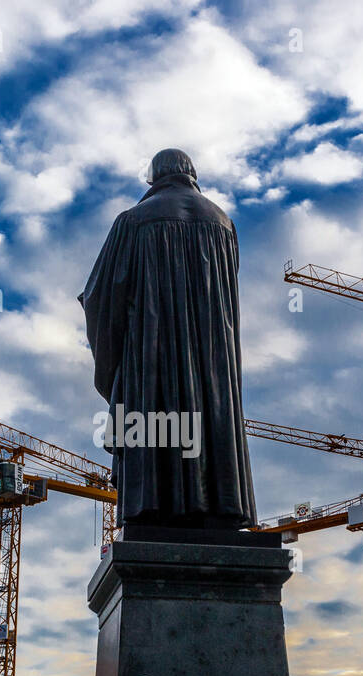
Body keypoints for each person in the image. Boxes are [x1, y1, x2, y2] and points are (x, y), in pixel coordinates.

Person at [80, 148, 257, 530]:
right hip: (214, 363)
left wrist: (114, 362)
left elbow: (100, 297)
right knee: (212, 416)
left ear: (153, 177)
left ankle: (155, 507)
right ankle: (219, 506)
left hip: (152, 357)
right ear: (191, 173)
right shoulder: (224, 224)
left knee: (155, 420)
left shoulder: (132, 221)